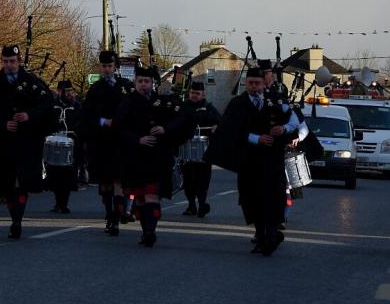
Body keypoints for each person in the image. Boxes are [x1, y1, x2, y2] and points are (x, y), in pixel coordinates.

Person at [208, 66, 299, 255]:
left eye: (257, 83)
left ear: (264, 83)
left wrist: (283, 129)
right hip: (249, 160)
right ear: (245, 83)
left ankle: (272, 235)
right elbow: (230, 130)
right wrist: (256, 138)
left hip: (272, 160)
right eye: (250, 83)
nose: (253, 87)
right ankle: (261, 236)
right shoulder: (238, 103)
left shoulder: (275, 100)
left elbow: (294, 121)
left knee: (273, 198)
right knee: (253, 199)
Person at [0, 44, 54, 240]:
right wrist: (3, 123)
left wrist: (29, 115)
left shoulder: (32, 82)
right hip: (3, 143)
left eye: (12, 61)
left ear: (19, 62)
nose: (9, 65)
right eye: (5, 61)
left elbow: (47, 104)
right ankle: (14, 219)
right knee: (8, 184)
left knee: (22, 183)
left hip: (27, 141)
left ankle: (17, 219)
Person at [114, 64, 193, 248]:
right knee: (140, 198)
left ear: (153, 83)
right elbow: (119, 127)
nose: (143, 85)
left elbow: (183, 116)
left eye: (147, 81)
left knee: (152, 195)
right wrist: (138, 139)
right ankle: (145, 231)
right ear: (135, 82)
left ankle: (150, 232)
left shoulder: (164, 101)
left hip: (157, 158)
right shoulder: (127, 102)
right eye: (140, 81)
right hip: (135, 157)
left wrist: (166, 128)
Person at [78, 50, 134, 235]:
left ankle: (116, 219)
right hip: (101, 141)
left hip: (120, 141)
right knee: (105, 183)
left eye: (110, 66)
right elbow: (86, 117)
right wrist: (102, 121)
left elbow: (134, 111)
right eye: (104, 66)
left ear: (115, 66)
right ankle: (109, 213)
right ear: (100, 67)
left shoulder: (125, 87)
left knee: (118, 180)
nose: (107, 70)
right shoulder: (95, 90)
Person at [179, 79, 220, 217]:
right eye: (192, 93)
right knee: (188, 179)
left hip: (204, 149)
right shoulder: (183, 106)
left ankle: (202, 204)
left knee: (203, 179)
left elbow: (220, 121)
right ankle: (191, 205)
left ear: (203, 94)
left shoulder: (209, 107)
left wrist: (216, 126)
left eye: (197, 93)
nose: (194, 95)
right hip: (186, 147)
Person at [47, 79, 81, 214]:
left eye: (69, 91)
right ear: (58, 91)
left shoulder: (76, 106)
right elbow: (47, 119)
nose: (68, 94)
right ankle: (57, 202)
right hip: (55, 143)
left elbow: (82, 120)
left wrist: (76, 132)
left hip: (71, 144)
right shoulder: (52, 105)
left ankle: (64, 203)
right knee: (55, 173)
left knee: (68, 174)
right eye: (64, 91)